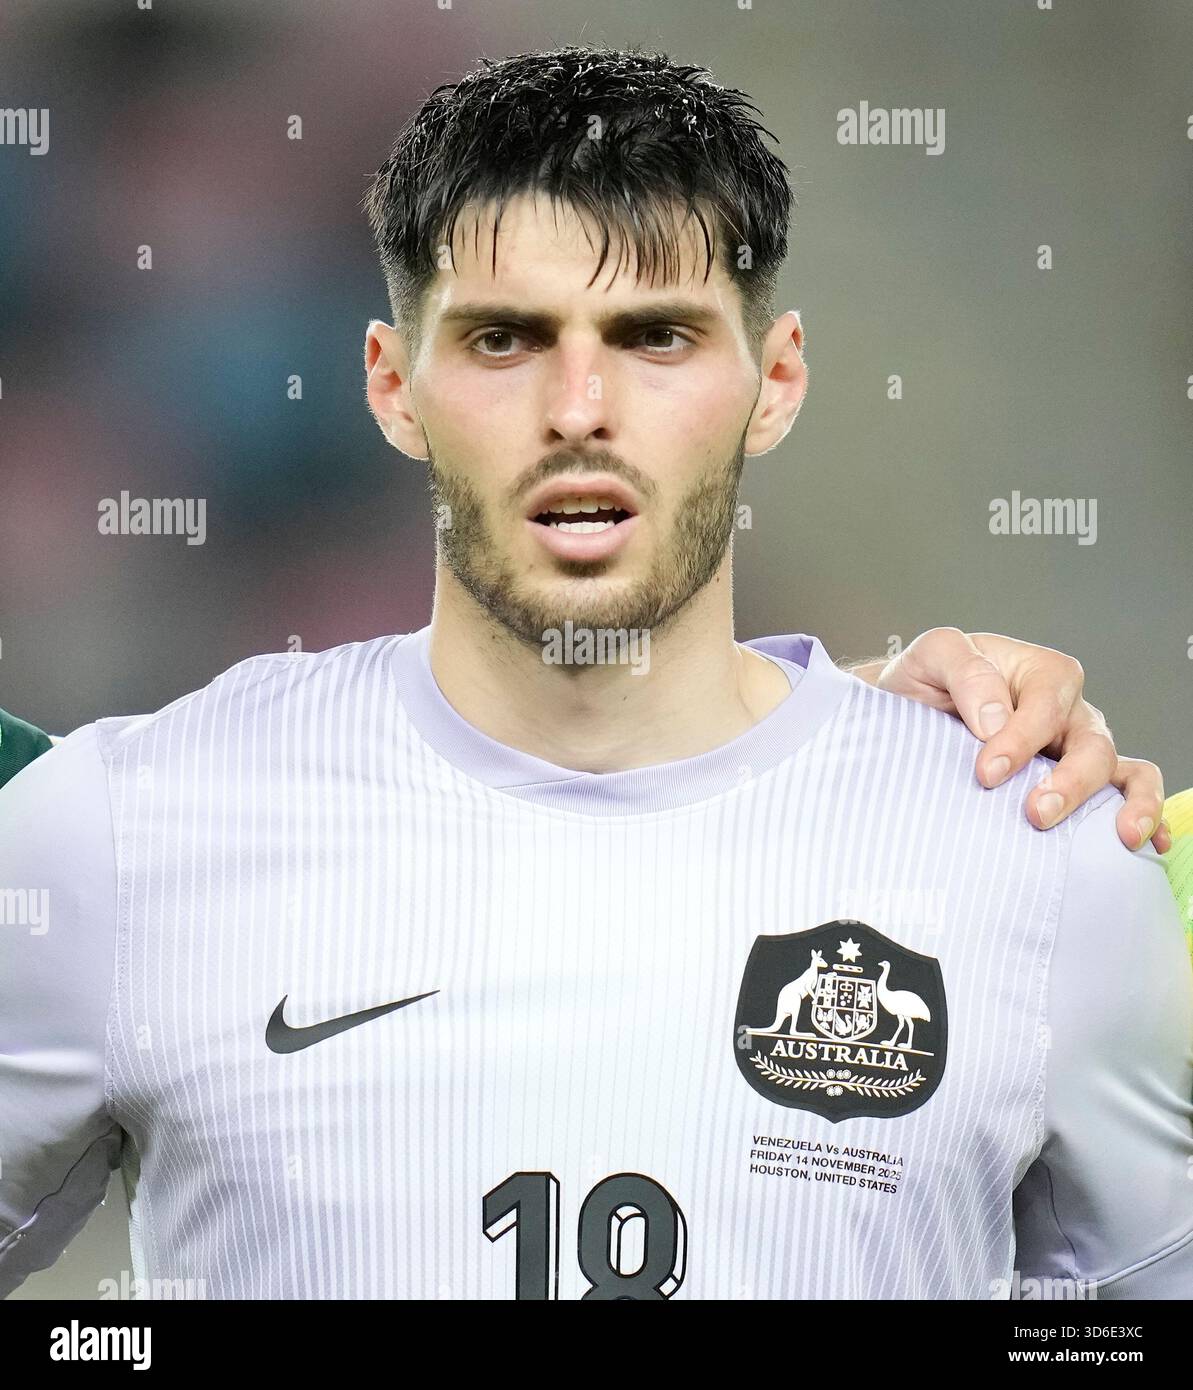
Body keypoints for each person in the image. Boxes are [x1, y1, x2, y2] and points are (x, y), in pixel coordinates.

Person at [0, 46, 1188, 1300]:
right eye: (504, 339)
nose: (578, 406)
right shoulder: (116, 833)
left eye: (654, 336)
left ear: (774, 381)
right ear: (392, 386)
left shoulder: (1037, 860)